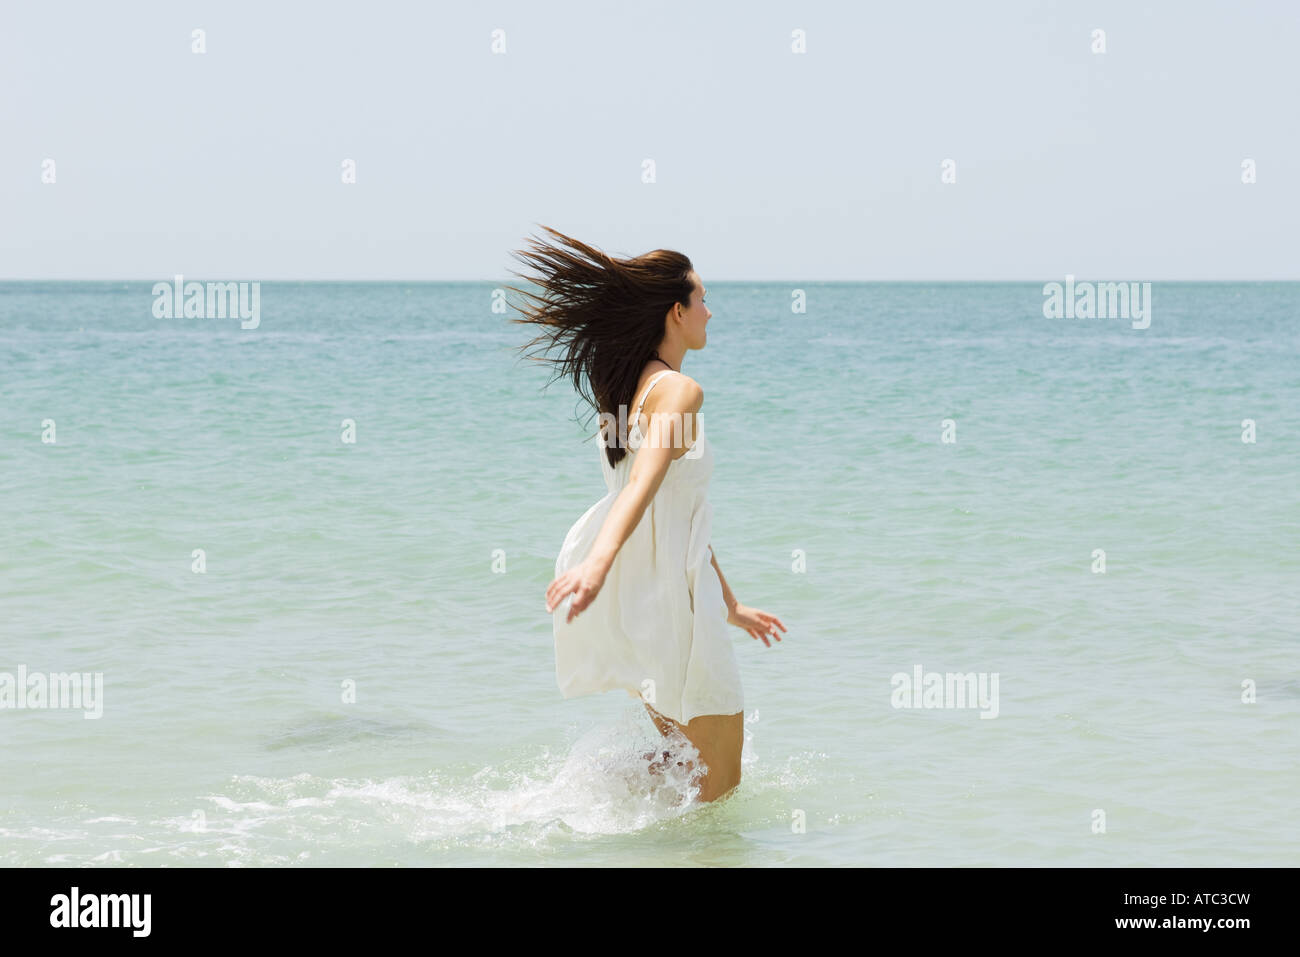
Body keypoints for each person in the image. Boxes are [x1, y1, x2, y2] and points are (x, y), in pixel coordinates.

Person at [509, 226, 786, 803]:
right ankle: (576, 800)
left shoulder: (627, 389)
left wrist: (731, 605)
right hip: (669, 603)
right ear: (675, 312)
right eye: (702, 298)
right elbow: (645, 483)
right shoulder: (680, 391)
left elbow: (676, 512)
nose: (711, 310)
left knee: (694, 767)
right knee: (721, 782)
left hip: (649, 598)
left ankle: (585, 797)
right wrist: (599, 563)